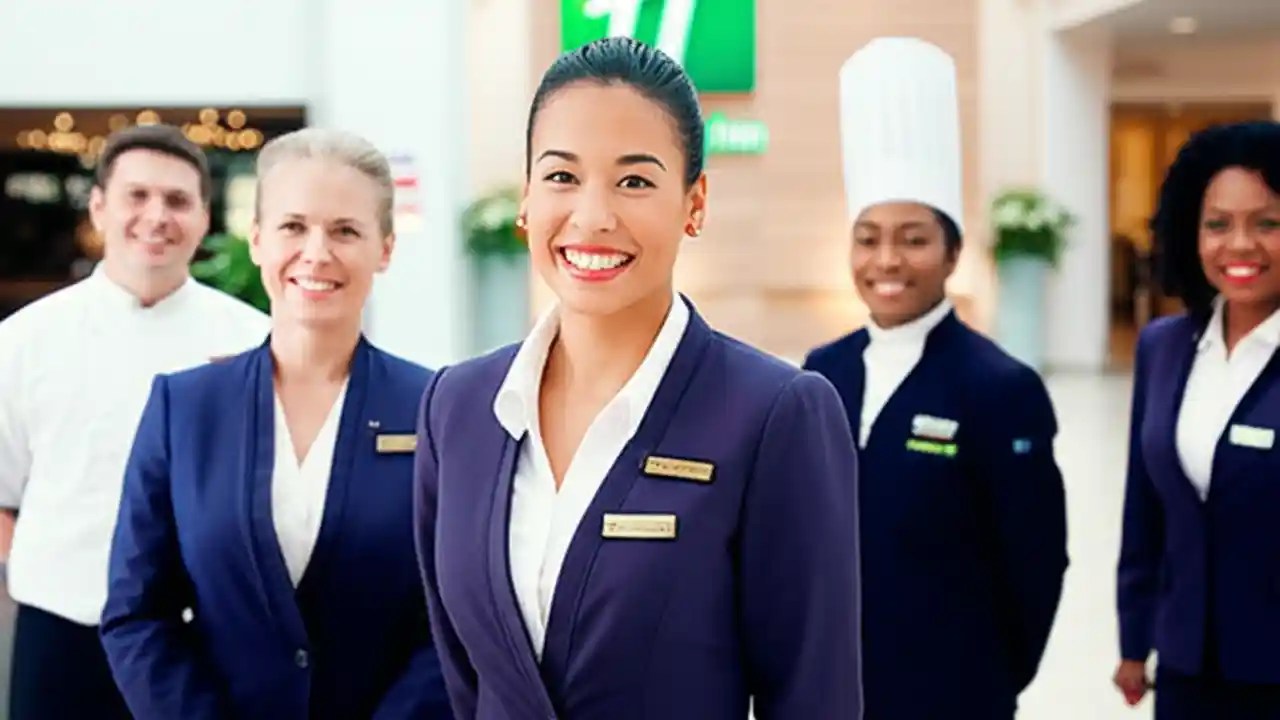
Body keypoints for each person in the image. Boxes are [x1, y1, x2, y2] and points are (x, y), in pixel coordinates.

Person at [412, 36, 862, 719]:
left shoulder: (773, 415)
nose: (593, 217)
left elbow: (812, 698)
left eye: (635, 181)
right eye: (562, 176)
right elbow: (463, 676)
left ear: (695, 202)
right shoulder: (458, 406)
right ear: (526, 195)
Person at [99, 128, 452, 718]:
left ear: (385, 249)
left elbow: (459, 617)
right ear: (258, 240)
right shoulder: (183, 409)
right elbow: (138, 613)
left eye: (345, 230)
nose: (316, 252)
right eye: (294, 227)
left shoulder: (438, 408)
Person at [802, 37, 1069, 719]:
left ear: (953, 252)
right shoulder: (821, 373)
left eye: (914, 238)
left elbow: (1035, 563)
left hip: (954, 689)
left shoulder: (999, 386)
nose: (887, 259)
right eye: (868, 236)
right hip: (838, 685)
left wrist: (990, 678)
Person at [0, 124, 269, 719]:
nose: (157, 216)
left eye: (177, 200)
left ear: (204, 218)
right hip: (64, 626)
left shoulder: (254, 343)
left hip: (202, 633)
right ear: (99, 207)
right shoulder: (23, 341)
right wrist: (50, 560)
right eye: (137, 196)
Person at [1114, 121, 1280, 719]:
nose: (1240, 244)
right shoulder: (1164, 346)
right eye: (1218, 224)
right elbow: (1146, 508)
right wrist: (1135, 641)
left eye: (1268, 223)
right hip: (1186, 664)